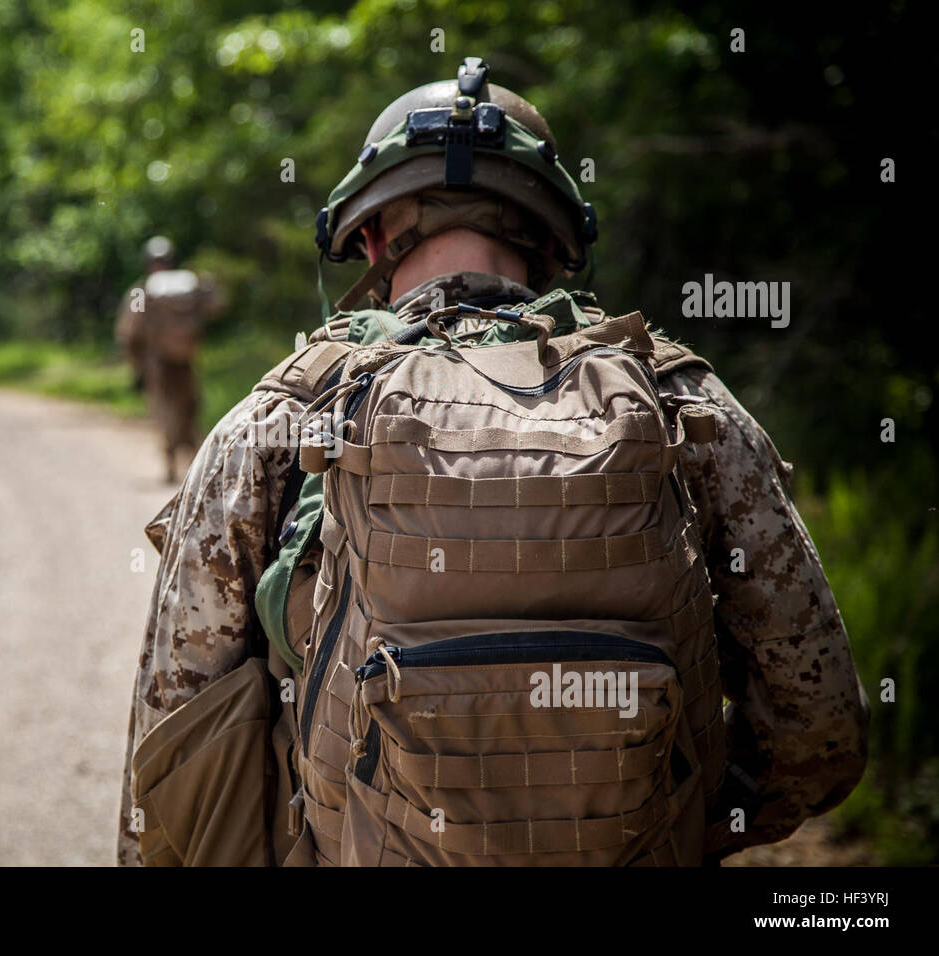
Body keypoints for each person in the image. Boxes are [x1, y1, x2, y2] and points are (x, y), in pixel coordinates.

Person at [117, 58, 869, 866]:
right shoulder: (684, 403)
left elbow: (173, 736)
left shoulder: (280, 415)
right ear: (550, 241)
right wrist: (690, 817)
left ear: (368, 238)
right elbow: (819, 726)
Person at [115, 237, 223, 482]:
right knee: (189, 410)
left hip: (157, 363)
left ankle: (172, 468)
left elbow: (129, 331)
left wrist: (135, 364)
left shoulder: (141, 290)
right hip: (186, 359)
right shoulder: (187, 287)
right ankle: (196, 470)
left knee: (166, 413)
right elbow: (216, 307)